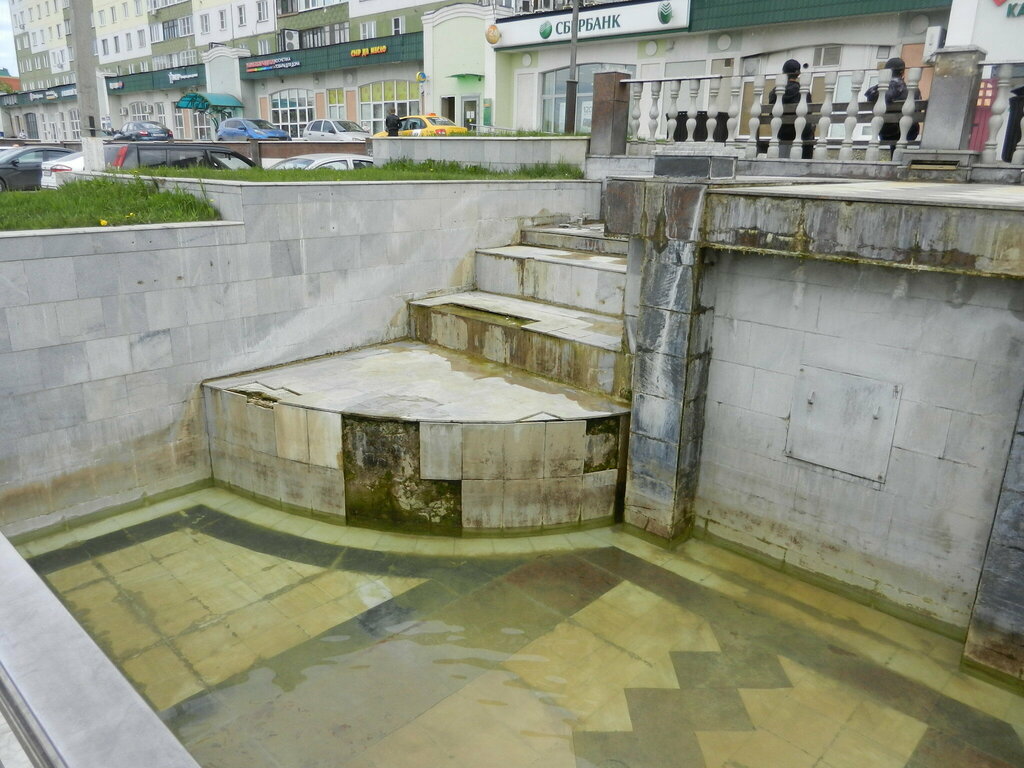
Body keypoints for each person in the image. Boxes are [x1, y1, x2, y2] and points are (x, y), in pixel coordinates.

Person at [865, 56, 920, 147]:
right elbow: (917, 112)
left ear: (887, 72)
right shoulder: (914, 90)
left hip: (885, 133)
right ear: (902, 71)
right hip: (908, 133)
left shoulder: (878, 89)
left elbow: (869, 97)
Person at [768, 59, 815, 159]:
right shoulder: (804, 91)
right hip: (800, 132)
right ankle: (806, 161)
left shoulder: (775, 91)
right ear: (798, 74)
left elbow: (771, 113)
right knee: (808, 127)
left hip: (781, 131)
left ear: (784, 73)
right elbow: (809, 113)